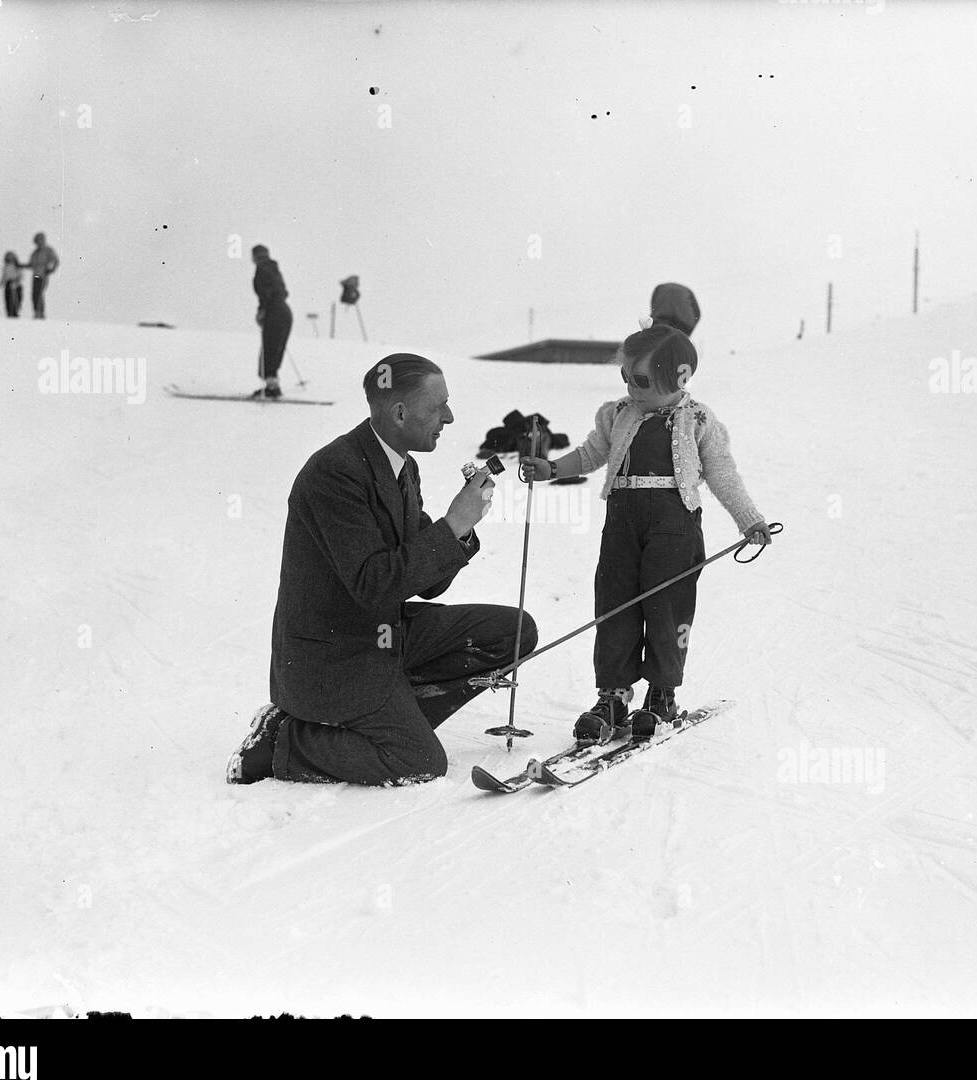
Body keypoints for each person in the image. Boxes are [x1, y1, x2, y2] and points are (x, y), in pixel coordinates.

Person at [227, 352, 539, 787]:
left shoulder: (403, 467)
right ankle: (284, 739)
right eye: (437, 407)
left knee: (513, 630)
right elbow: (374, 584)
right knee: (417, 760)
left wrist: (460, 532)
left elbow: (427, 584)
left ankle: (385, 716)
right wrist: (453, 525)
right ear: (399, 412)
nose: (448, 416)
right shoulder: (334, 473)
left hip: (380, 636)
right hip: (333, 657)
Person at [520, 325, 772, 743]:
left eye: (640, 380)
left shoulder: (698, 420)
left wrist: (749, 519)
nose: (630, 387)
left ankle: (662, 693)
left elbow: (722, 472)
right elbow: (590, 454)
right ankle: (614, 696)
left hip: (674, 526)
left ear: (680, 377)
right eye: (625, 376)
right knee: (616, 603)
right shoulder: (617, 414)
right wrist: (551, 469)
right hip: (622, 523)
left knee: (666, 607)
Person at [251, 244, 292, 398]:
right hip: (284, 312)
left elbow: (266, 293)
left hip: (274, 313)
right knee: (275, 349)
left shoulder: (262, 269)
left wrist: (262, 310)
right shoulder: (274, 270)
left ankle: (271, 387)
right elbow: (283, 292)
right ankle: (272, 385)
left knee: (269, 349)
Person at [23, 232, 59, 319]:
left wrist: (51, 269)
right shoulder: (35, 253)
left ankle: (40, 313)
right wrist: (20, 265)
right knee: (34, 293)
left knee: (39, 293)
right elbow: (31, 264)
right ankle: (36, 312)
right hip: (35, 275)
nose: (38, 242)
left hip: (43, 275)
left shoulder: (48, 250)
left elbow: (55, 260)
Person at [0, 251, 24, 318]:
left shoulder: (17, 266)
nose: (9, 259)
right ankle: (9, 313)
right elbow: (4, 276)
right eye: (8, 258)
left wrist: (16, 282)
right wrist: (1, 283)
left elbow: (21, 276)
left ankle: (15, 313)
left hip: (16, 285)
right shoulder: (5, 267)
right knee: (8, 300)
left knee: (15, 301)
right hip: (8, 284)